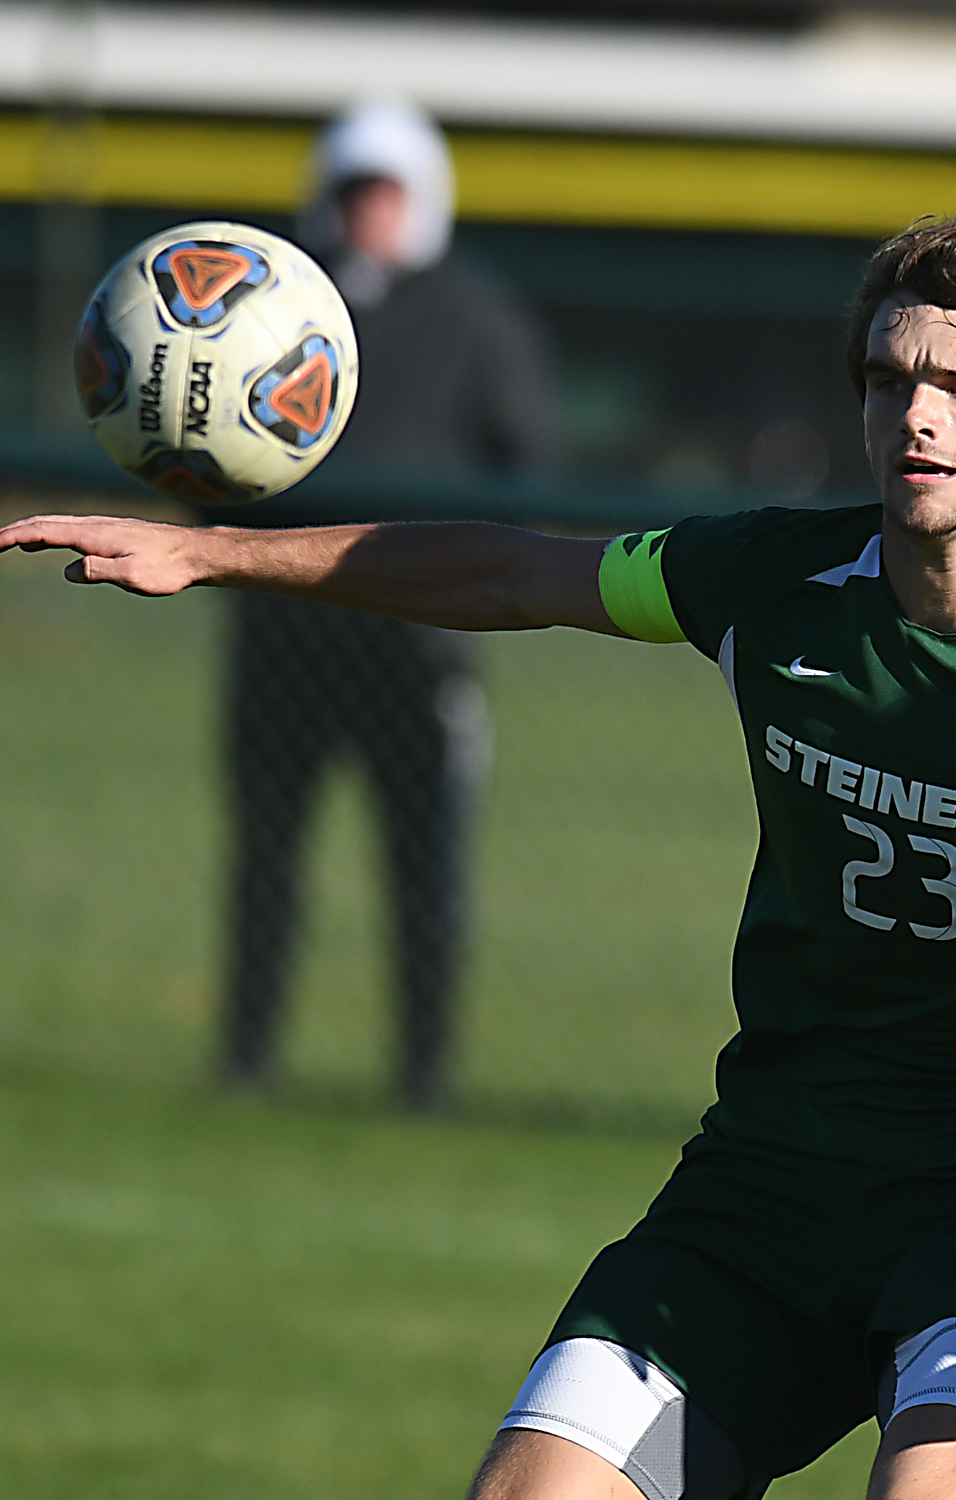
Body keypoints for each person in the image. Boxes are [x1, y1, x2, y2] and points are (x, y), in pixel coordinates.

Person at [2, 208, 956, 1500]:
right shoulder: (779, 580)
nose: (921, 415)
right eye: (893, 379)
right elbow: (505, 567)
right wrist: (207, 549)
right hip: (763, 1190)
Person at [222, 97, 562, 1110]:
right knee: (266, 857)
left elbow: (534, 462)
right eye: (353, 189)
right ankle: (245, 1061)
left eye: (389, 191)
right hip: (285, 639)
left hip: (420, 649)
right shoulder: (274, 306)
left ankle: (424, 1076)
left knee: (426, 867)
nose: (370, 210)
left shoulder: (477, 318)